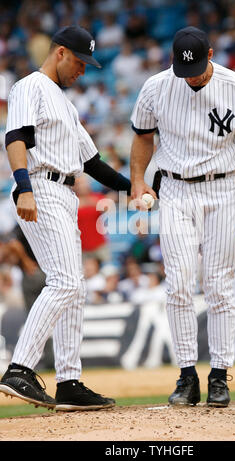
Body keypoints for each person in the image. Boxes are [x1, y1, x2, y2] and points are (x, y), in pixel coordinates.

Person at [130, 26, 235, 408]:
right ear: (173, 60)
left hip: (221, 189)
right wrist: (138, 180)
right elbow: (142, 135)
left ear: (212, 55)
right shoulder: (156, 87)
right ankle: (187, 376)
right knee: (178, 284)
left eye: (200, 68)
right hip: (174, 190)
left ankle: (219, 375)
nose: (194, 76)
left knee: (219, 284)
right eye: (186, 70)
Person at [0, 25, 131, 411]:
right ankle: (20, 369)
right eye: (78, 61)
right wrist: (23, 186)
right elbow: (16, 137)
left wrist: (133, 187)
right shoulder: (30, 87)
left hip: (64, 191)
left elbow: (93, 164)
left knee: (76, 288)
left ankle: (69, 381)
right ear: (59, 53)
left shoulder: (67, 104)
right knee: (65, 281)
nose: (83, 70)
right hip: (39, 186)